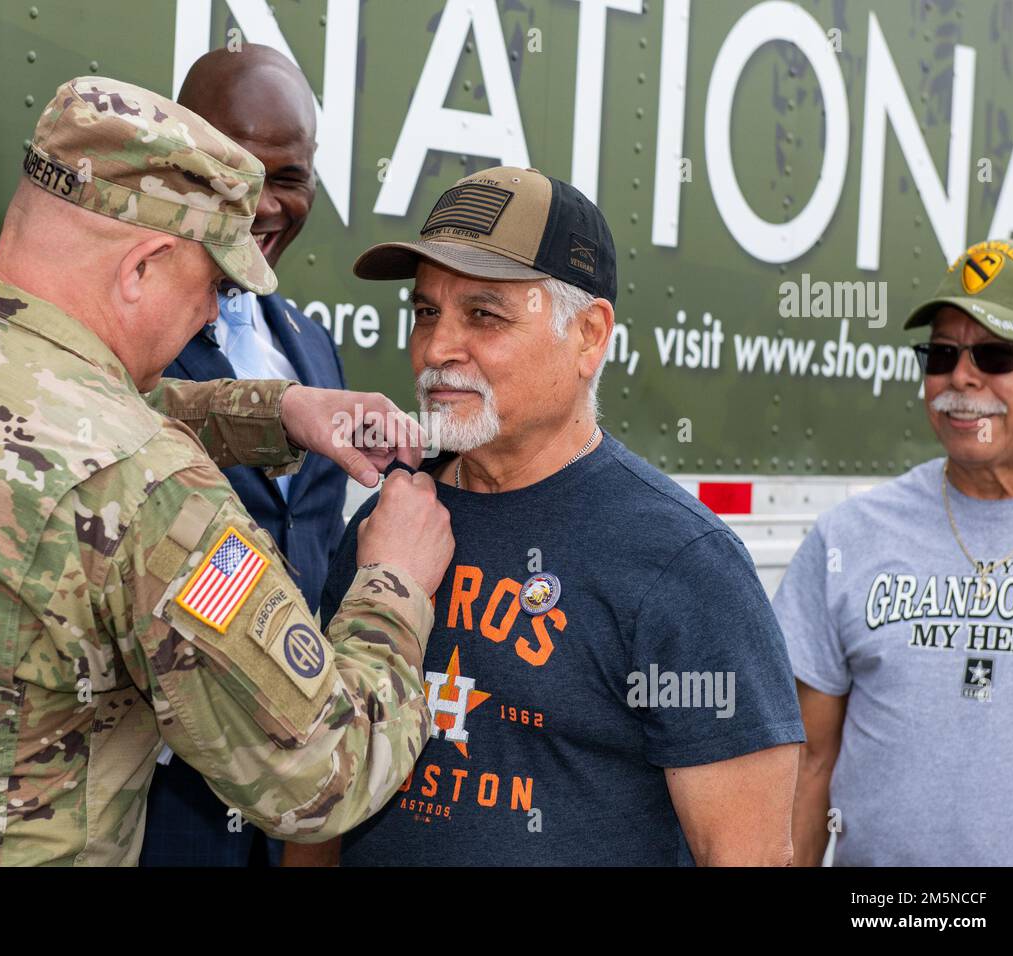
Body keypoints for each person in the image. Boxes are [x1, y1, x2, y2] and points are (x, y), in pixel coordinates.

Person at [0, 76, 452, 866]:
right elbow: (321, 772)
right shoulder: (150, 490)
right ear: (141, 266)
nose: (215, 315)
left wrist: (271, 412)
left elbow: (34, 419)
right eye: (213, 285)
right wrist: (394, 585)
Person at [285, 166, 804, 867]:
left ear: (589, 336)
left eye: (484, 315)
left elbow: (746, 854)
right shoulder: (387, 529)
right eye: (427, 311)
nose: (438, 349)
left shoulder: (684, 563)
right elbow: (320, 802)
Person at [141, 45, 346, 867]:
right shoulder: (121, 342)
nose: (260, 202)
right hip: (151, 804)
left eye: (287, 175)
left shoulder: (310, 347)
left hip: (293, 802)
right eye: (230, 166)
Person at [780, 238, 1013, 866]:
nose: (961, 378)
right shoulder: (850, 536)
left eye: (995, 354)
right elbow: (807, 763)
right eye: (942, 354)